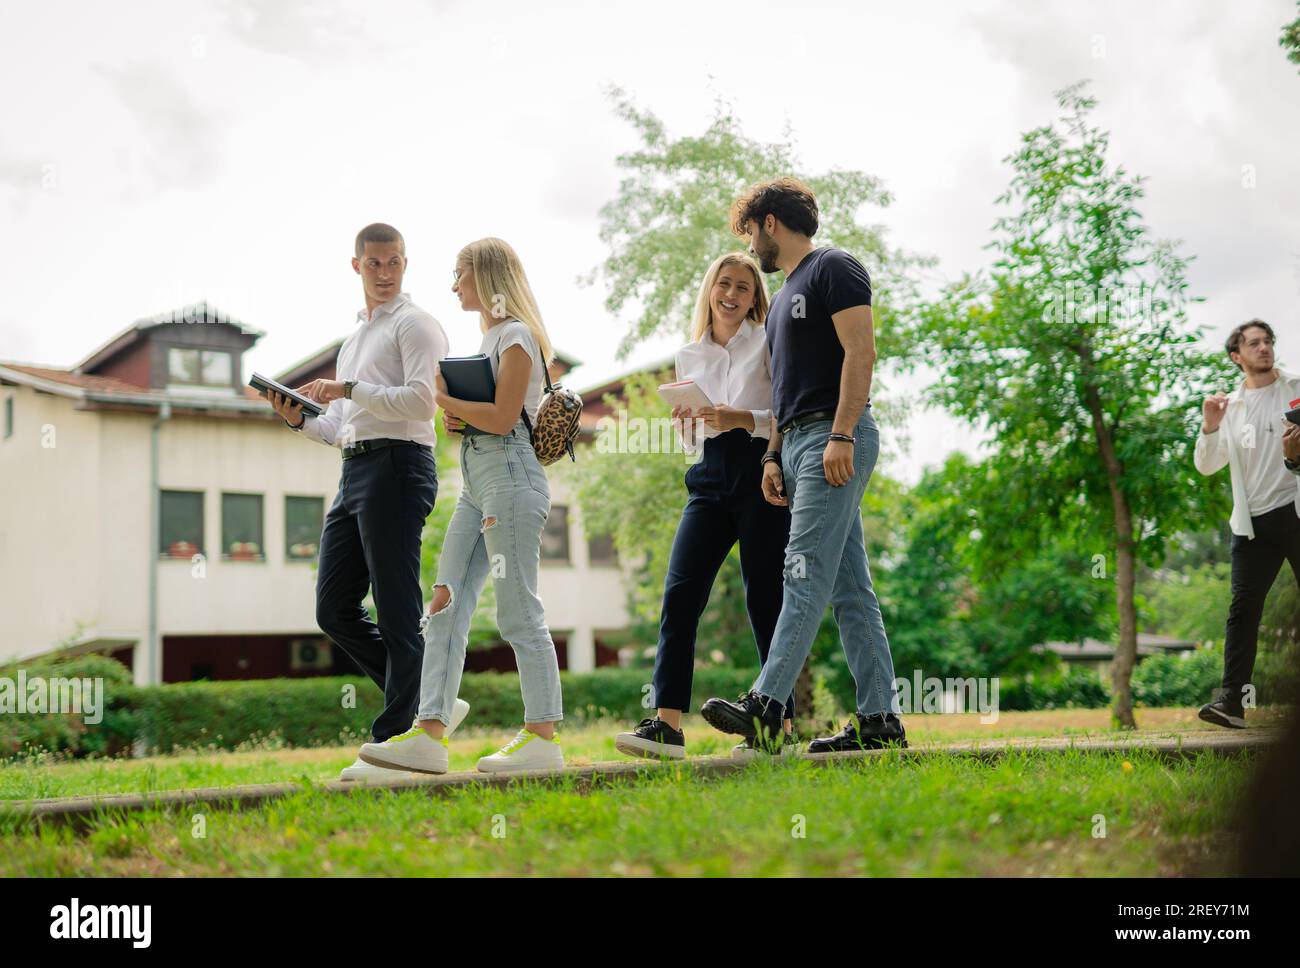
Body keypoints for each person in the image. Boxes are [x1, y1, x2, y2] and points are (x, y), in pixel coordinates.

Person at [699, 177, 906, 753]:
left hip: (832, 438)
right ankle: (880, 722)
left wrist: (840, 433)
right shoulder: (789, 290)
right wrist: (772, 453)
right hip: (795, 444)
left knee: (802, 569)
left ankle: (765, 704)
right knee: (849, 588)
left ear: (770, 222)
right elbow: (783, 389)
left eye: (750, 233)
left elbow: (861, 353)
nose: (750, 248)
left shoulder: (833, 268)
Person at [266, 223, 469, 782]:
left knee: (399, 610)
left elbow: (422, 402)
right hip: (354, 470)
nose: (385, 273)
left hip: (399, 466)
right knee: (333, 609)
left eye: (394, 263)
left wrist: (348, 390)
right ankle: (432, 702)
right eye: (375, 264)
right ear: (356, 266)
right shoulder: (353, 340)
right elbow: (339, 426)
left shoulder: (417, 324)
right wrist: (301, 418)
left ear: (405, 264)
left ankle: (393, 742)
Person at [357, 238, 564, 774]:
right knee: (444, 604)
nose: (454, 287)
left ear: (489, 278)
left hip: (513, 478)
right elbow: (482, 419)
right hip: (479, 483)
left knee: (518, 609)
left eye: (461, 275)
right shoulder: (492, 339)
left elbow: (501, 418)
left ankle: (542, 737)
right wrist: (455, 414)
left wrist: (440, 396)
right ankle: (429, 733)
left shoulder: (516, 336)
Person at [614, 252, 796, 761]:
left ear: (755, 296)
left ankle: (774, 728)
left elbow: (785, 412)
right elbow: (692, 440)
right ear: (710, 289)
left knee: (766, 600)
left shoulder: (767, 340)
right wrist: (687, 426)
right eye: (724, 284)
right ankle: (667, 725)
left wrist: (742, 418)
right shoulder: (688, 355)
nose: (732, 295)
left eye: (743, 287)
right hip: (709, 478)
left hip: (762, 469)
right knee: (679, 595)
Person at [1193, 319, 1300, 729]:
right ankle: (1231, 704)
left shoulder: (1294, 390)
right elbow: (1206, 465)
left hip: (1295, 509)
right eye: (1254, 343)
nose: (1264, 348)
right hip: (1252, 523)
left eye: (1268, 341)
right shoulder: (1230, 407)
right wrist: (1209, 425)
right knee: (1242, 612)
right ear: (1236, 356)